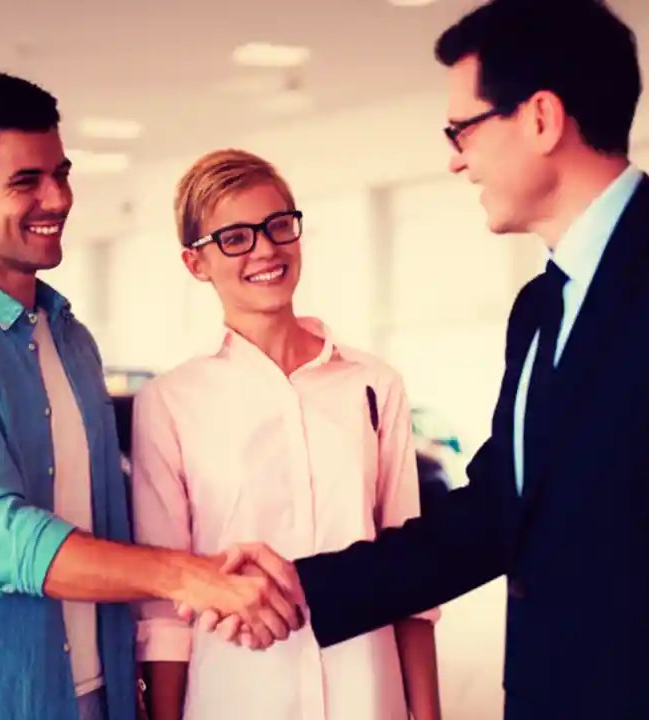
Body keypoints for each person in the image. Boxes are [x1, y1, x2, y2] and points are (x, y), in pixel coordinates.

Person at [204, 1, 649, 718]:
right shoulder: (541, 307)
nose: (455, 158)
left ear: (540, 118)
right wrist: (302, 586)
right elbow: (501, 511)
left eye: (462, 129)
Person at [0, 73, 301, 720]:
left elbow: (107, 516)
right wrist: (192, 575)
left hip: (96, 692)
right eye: (26, 182)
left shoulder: (71, 338)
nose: (58, 198)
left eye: (61, 174)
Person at [129, 149, 441, 720]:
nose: (266, 249)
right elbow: (165, 608)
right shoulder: (170, 402)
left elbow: (412, 577)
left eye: (277, 225)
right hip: (236, 699)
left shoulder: (373, 384)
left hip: (366, 698)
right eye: (234, 238)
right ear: (196, 263)